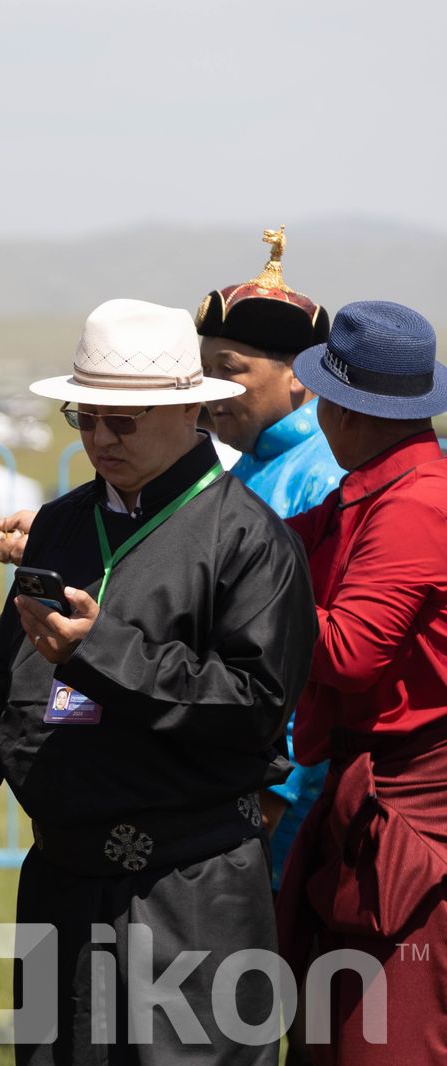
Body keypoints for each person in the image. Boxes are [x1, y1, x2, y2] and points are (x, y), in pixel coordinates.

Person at [0, 298, 315, 1063]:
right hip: (61, 885)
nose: (100, 439)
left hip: (189, 894)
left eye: (124, 422)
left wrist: (101, 652)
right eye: (86, 418)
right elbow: (10, 665)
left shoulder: (249, 539)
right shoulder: (62, 524)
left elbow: (253, 708)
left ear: (189, 411)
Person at [274, 300, 447, 1064]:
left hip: (409, 815)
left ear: (343, 410)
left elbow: (348, 653)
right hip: (366, 793)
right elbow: (265, 546)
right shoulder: (370, 489)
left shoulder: (416, 505)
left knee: (387, 1036)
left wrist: (249, 599)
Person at [194, 226, 342, 889]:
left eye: (229, 371)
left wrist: (277, 791)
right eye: (203, 373)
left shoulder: (324, 474)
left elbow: (312, 650)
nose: (210, 391)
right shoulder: (247, 467)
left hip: (289, 788)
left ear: (300, 376)